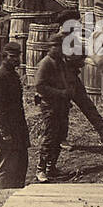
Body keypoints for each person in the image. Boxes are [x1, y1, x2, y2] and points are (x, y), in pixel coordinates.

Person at [32, 32, 74, 183]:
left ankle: (52, 167)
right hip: (50, 106)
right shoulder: (46, 63)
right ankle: (41, 169)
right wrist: (61, 93)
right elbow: (39, 86)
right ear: (50, 48)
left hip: (61, 106)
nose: (60, 49)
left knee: (59, 137)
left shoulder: (61, 62)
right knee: (50, 137)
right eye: (57, 47)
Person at [0, 41, 29, 189]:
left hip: (17, 125)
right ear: (4, 57)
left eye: (18, 56)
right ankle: (1, 197)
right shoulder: (0, 77)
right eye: (12, 56)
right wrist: (4, 132)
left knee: (21, 161)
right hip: (8, 128)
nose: (16, 59)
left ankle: (18, 192)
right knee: (7, 164)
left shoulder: (12, 75)